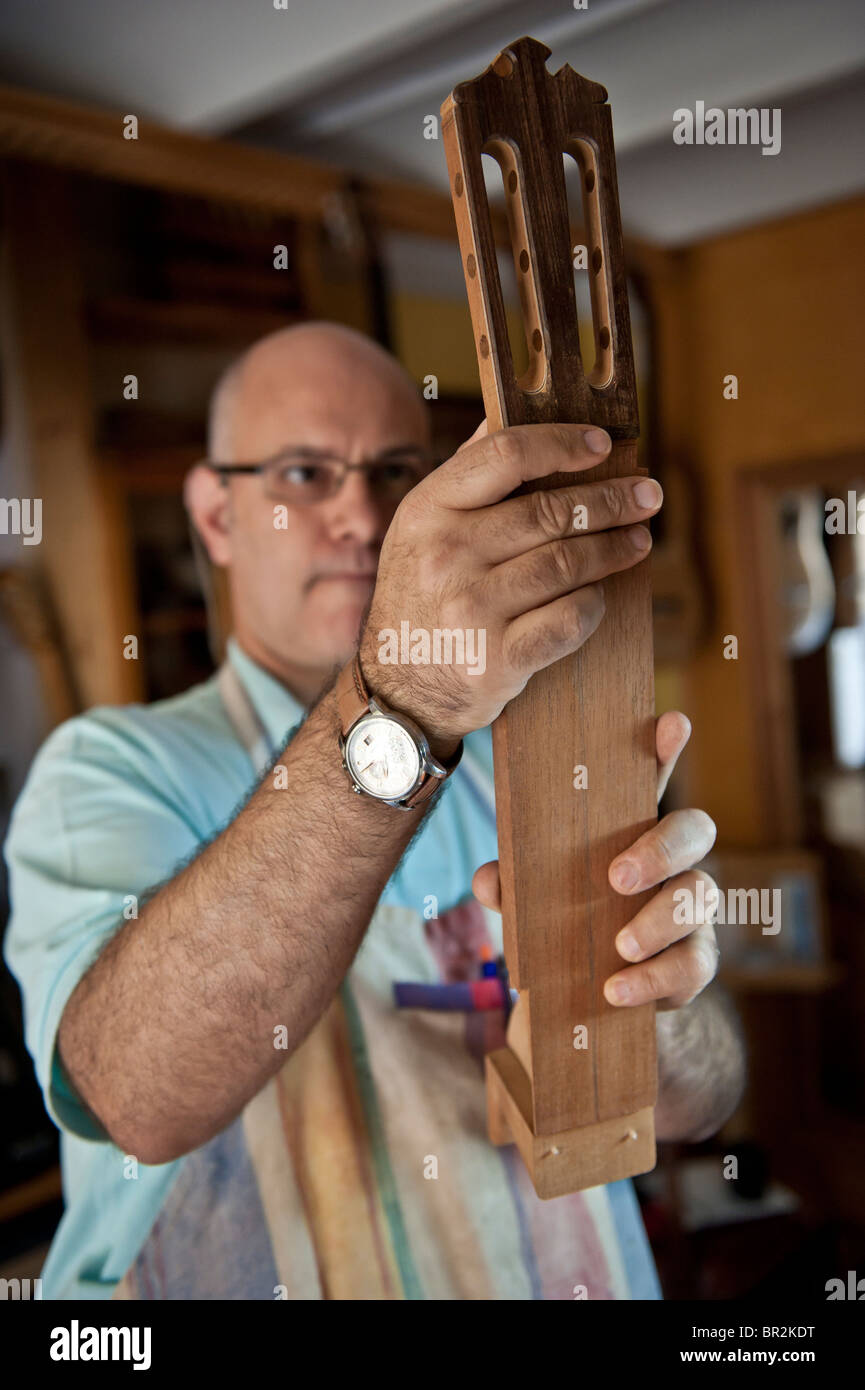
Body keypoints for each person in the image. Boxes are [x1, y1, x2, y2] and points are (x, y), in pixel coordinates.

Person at [4, 322, 744, 1300]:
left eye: (396, 471)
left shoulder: (520, 756)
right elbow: (128, 1095)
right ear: (216, 517)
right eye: (303, 473)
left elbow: (705, 1098)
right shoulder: (112, 770)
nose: (360, 515)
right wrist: (404, 699)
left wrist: (661, 1016)